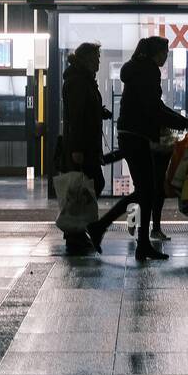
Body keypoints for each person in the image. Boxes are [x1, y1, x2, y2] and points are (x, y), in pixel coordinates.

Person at [88, 36, 188, 261]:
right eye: (164, 53)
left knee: (146, 192)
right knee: (145, 191)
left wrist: (181, 121)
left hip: (132, 134)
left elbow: (154, 106)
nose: (166, 57)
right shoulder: (148, 71)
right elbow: (154, 109)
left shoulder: (138, 70)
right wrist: (184, 123)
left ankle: (141, 244)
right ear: (155, 54)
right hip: (137, 136)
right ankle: (103, 227)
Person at [60, 42, 110, 254]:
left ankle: (77, 232)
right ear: (86, 59)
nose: (98, 61)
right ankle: (75, 233)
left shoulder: (83, 80)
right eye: (96, 57)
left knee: (87, 188)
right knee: (88, 187)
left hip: (86, 145)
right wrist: (77, 149)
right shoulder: (78, 81)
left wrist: (100, 112)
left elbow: (86, 110)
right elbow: (77, 117)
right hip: (82, 146)